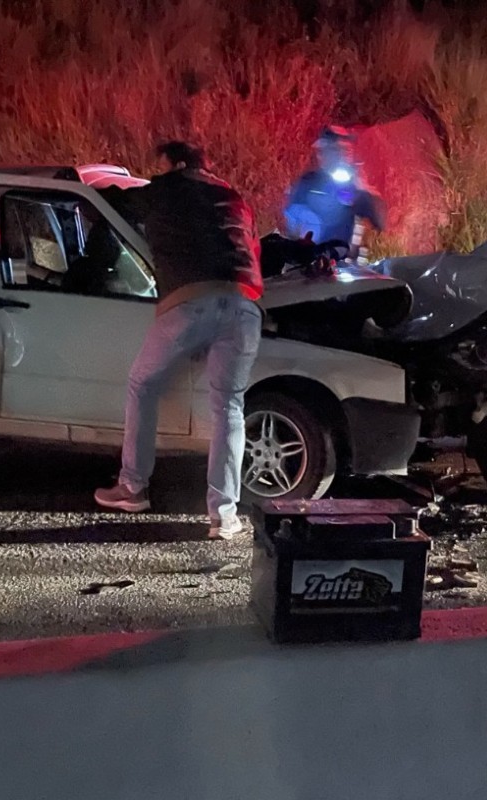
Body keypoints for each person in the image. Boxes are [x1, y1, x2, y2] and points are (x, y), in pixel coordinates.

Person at [95, 142, 264, 540]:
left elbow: (112, 202)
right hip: (245, 306)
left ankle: (132, 487)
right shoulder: (232, 196)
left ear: (174, 164)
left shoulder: (165, 189)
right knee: (229, 408)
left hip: (189, 304)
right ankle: (224, 516)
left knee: (142, 383)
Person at [284, 125, 386, 262]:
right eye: (333, 149)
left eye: (345, 150)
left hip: (341, 262)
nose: (340, 155)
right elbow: (290, 217)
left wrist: (365, 191)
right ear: (321, 153)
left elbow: (378, 221)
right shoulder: (308, 182)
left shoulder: (354, 186)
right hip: (308, 260)